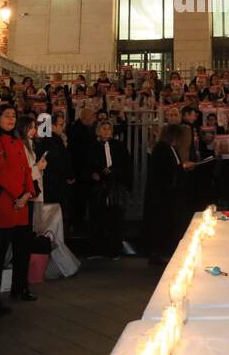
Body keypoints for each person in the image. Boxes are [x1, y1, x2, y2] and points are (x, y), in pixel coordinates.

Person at [0, 105, 35, 314]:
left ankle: (3, 296)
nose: (11, 119)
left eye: (14, 116)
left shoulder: (18, 140)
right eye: (7, 115)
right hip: (2, 205)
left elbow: (26, 169)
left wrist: (29, 192)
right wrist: (18, 195)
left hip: (19, 206)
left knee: (11, 252)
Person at [36, 111, 80, 279]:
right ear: (52, 126)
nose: (63, 127)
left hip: (54, 186)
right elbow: (59, 163)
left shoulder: (51, 141)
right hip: (55, 187)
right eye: (61, 124)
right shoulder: (52, 142)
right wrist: (69, 176)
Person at [81, 117, 132, 259]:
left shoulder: (119, 146)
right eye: (104, 128)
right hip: (98, 188)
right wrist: (94, 174)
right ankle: (98, 250)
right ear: (98, 131)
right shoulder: (92, 147)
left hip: (116, 187)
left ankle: (114, 250)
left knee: (115, 218)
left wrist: (115, 172)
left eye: (109, 128)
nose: (107, 131)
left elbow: (126, 165)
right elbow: (87, 166)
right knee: (98, 218)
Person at [144, 123, 195, 264]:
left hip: (170, 195)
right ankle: (159, 254)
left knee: (169, 224)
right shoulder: (161, 149)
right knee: (161, 225)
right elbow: (163, 173)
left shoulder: (171, 148)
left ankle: (166, 251)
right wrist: (182, 167)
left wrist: (182, 168)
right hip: (162, 196)